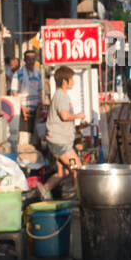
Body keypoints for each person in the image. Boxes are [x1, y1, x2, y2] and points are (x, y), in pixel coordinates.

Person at [43, 65, 85, 198]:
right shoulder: (61, 96)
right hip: (60, 142)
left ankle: (41, 193)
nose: (73, 81)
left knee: (62, 173)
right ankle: (80, 200)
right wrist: (78, 116)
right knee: (77, 169)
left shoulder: (60, 95)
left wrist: (78, 126)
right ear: (64, 81)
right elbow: (64, 116)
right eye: (71, 79)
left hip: (57, 140)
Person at [10, 48, 44, 143]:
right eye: (29, 59)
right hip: (23, 111)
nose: (31, 61)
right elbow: (14, 92)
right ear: (25, 60)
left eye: (33, 58)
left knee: (35, 139)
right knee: (24, 138)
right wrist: (22, 108)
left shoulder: (38, 74)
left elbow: (40, 90)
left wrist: (41, 104)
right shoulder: (18, 74)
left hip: (35, 110)